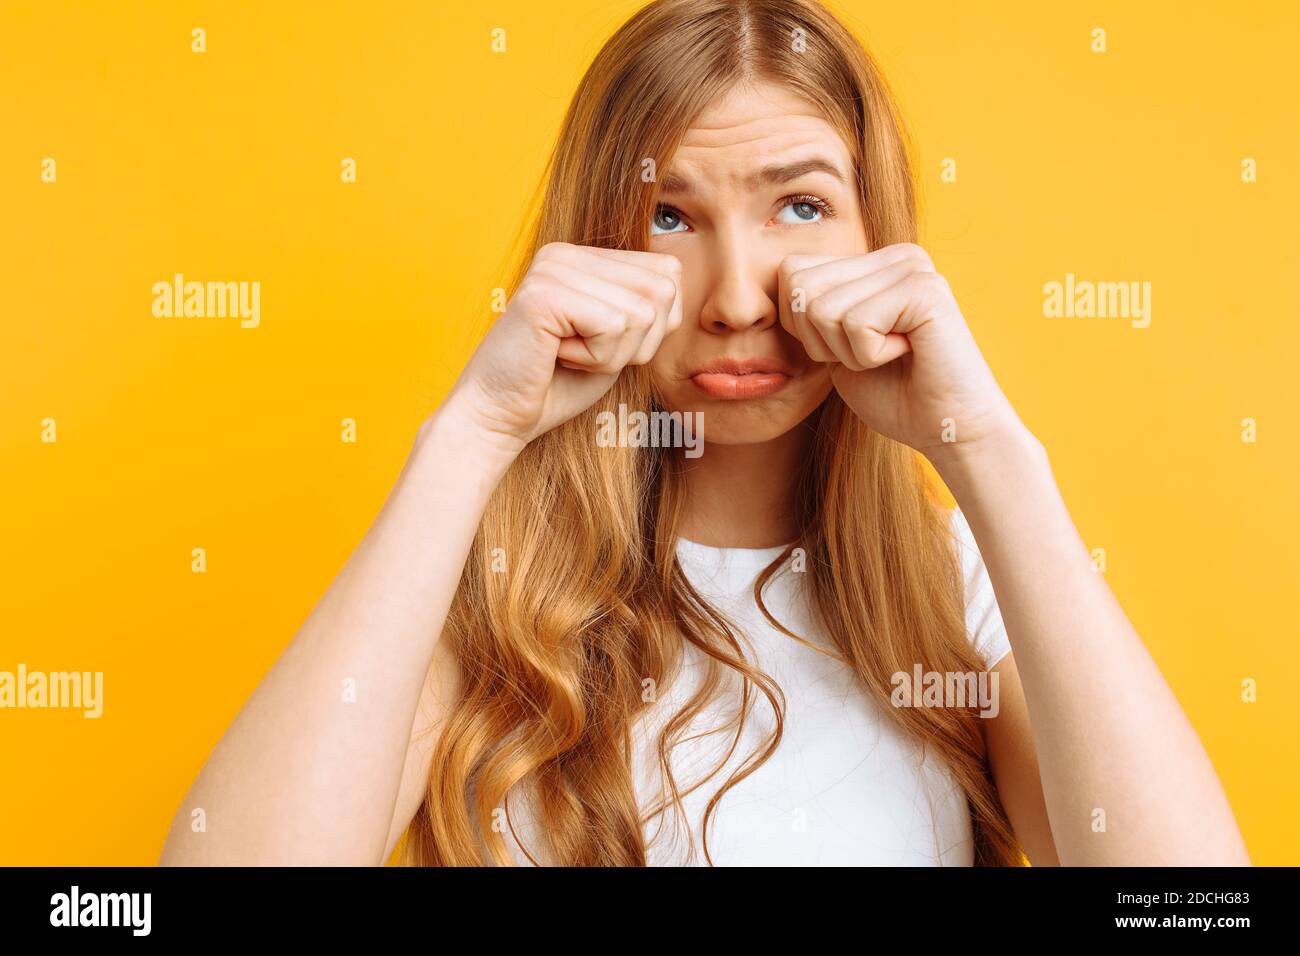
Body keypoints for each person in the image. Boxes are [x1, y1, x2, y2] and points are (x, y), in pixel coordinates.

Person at [160, 0, 1250, 867]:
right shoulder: (488, 589)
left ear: (879, 233)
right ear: (595, 244)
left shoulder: (951, 594)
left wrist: (990, 451)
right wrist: (466, 436)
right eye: (669, 217)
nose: (735, 296)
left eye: (801, 206)